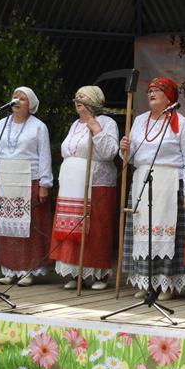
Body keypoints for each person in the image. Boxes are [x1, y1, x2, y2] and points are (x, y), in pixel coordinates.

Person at [119, 77, 185, 300]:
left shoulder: (182, 124)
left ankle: (167, 284)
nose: (151, 94)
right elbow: (132, 158)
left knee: (166, 234)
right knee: (143, 233)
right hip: (143, 179)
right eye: (149, 90)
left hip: (170, 182)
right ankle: (146, 282)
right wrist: (124, 150)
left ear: (169, 96)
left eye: (157, 90)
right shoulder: (141, 121)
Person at [50, 86, 120, 290]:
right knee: (72, 225)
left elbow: (109, 152)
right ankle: (74, 271)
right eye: (77, 96)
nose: (78, 99)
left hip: (97, 182)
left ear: (95, 101)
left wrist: (95, 128)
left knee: (96, 227)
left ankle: (98, 273)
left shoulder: (107, 122)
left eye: (83, 96)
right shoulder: (75, 124)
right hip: (73, 184)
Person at [0, 86, 53, 286]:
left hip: (29, 179)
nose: (17, 101)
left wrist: (45, 183)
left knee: (29, 227)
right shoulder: (0, 125)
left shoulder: (38, 126)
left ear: (31, 104)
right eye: (14, 97)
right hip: (6, 180)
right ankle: (9, 269)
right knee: (7, 226)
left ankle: (28, 269)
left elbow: (44, 156)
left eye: (22, 98)